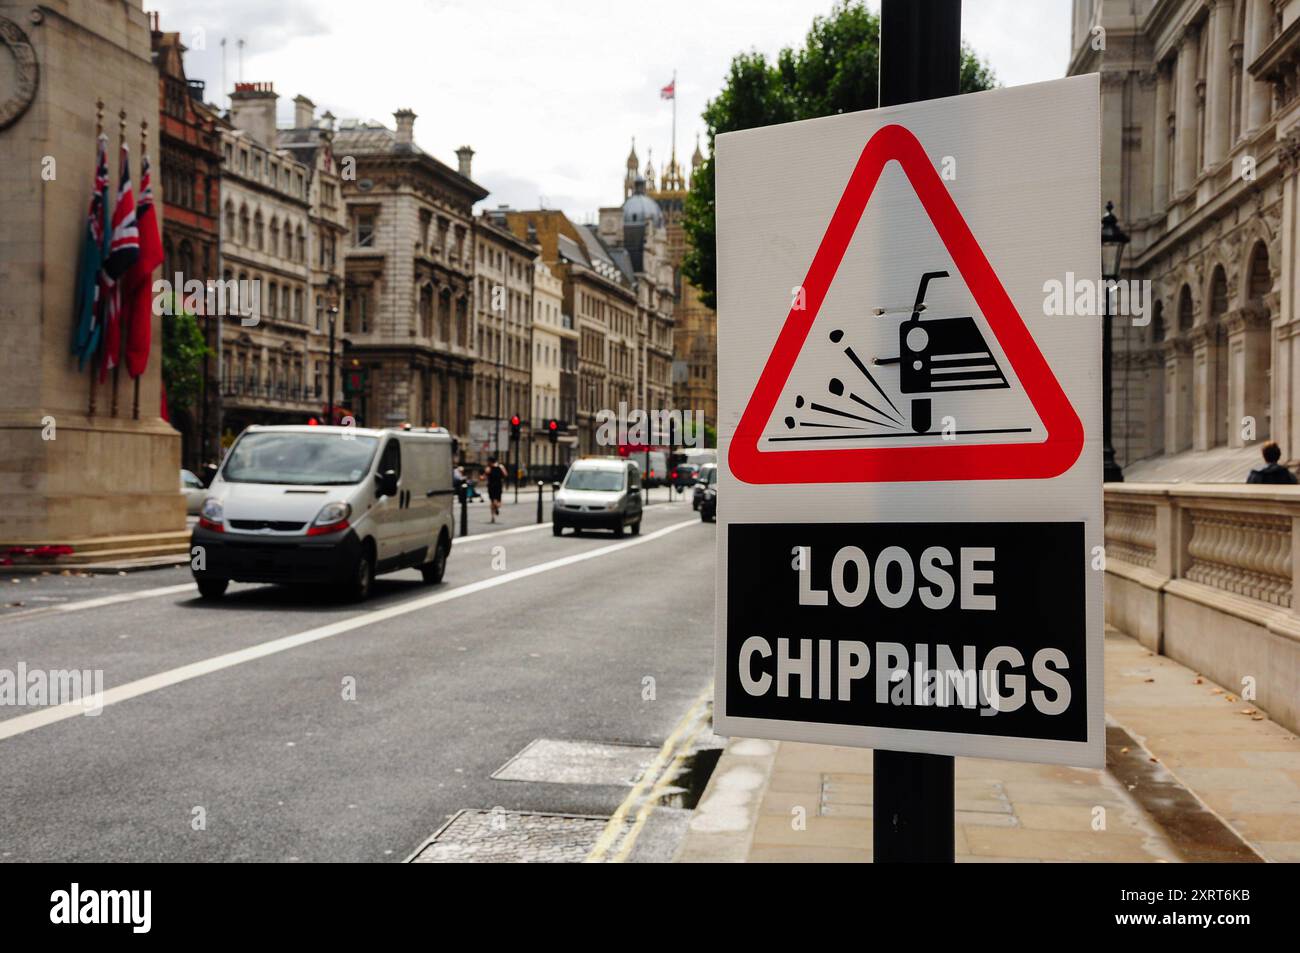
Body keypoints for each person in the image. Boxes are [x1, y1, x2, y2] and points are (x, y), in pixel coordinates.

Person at [481, 455, 507, 522]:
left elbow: (483, 477)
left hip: (491, 486)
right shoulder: (501, 467)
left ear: (489, 461)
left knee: (492, 501)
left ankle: (493, 516)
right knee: (498, 501)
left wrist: (482, 477)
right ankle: (496, 507)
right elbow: (505, 474)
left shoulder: (488, 468)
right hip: (498, 485)